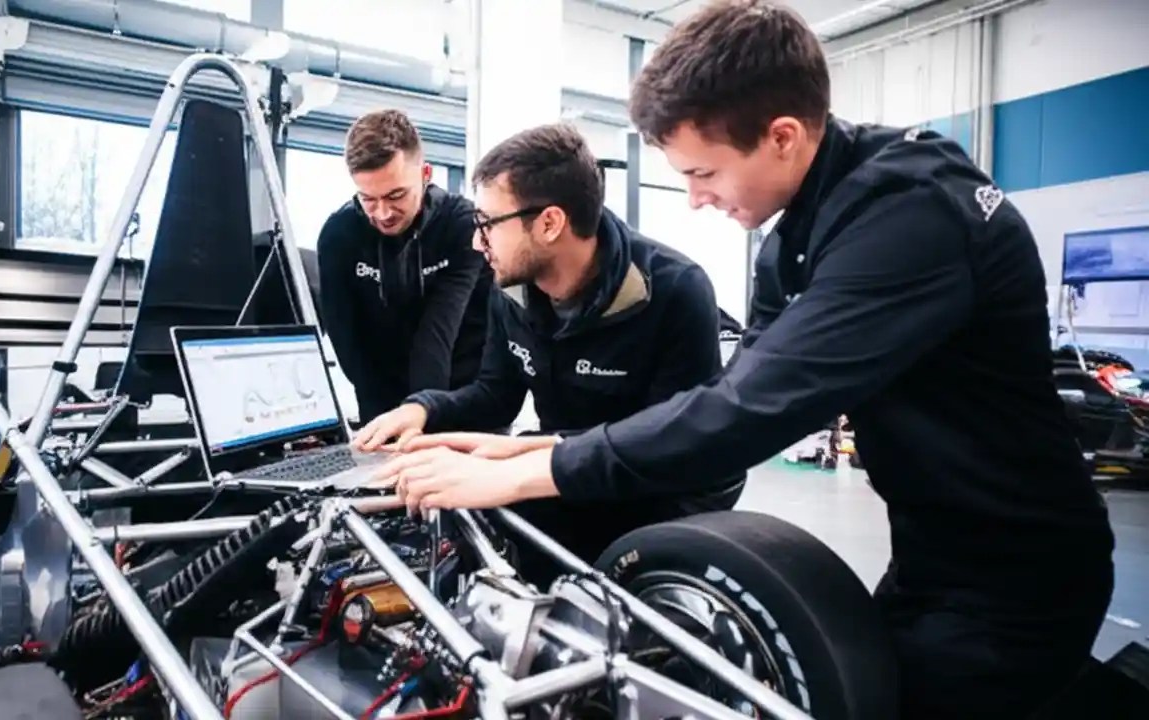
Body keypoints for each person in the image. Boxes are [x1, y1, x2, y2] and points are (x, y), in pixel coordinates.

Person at [374, 2, 1116, 718]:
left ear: (783, 136)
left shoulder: (910, 218)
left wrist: (521, 475)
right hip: (931, 554)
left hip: (1022, 574)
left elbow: (744, 416)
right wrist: (531, 446)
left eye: (704, 173)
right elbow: (732, 388)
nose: (695, 200)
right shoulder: (795, 240)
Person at [357, 122, 745, 579]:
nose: (475, 241)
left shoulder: (674, 291)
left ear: (549, 223)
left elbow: (668, 449)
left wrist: (525, 462)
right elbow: (495, 394)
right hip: (568, 472)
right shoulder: (511, 290)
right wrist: (424, 410)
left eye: (486, 224)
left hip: (662, 495)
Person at [316, 110, 493, 425]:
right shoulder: (338, 237)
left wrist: (422, 418)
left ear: (425, 174)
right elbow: (347, 342)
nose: (383, 213)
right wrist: (383, 424)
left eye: (396, 195)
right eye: (368, 199)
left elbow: (437, 332)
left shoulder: (464, 227)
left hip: (462, 394)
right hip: (382, 394)